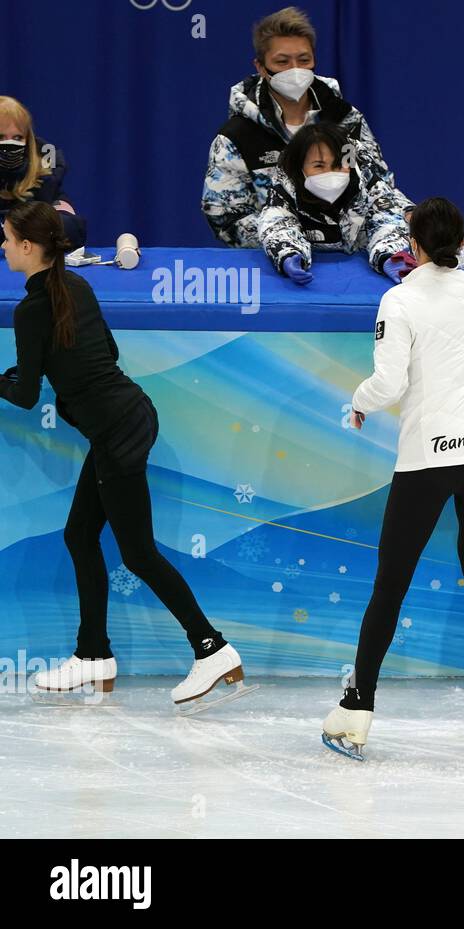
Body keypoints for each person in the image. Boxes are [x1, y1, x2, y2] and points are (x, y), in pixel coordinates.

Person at [0, 202, 254, 713]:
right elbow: (107, 355)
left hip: (118, 431)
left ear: (29, 248)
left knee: (138, 554)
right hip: (127, 418)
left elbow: (26, 393)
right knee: (79, 535)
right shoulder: (77, 287)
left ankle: (212, 648)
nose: (3, 247)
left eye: (6, 238)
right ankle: (93, 654)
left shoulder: (32, 310)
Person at [321, 197, 464, 761]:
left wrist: (359, 402)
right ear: (460, 243)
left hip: (429, 459)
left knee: (391, 584)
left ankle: (357, 707)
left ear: (411, 242)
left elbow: (387, 384)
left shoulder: (399, 298)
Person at [202, 6, 406, 248]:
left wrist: (403, 217)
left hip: (350, 262)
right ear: (260, 67)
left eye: (304, 60)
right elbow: (225, 216)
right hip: (279, 267)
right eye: (282, 61)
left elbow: (378, 184)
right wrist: (292, 240)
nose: (295, 70)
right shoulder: (237, 135)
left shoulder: (344, 120)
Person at [258, 122, 411, 284]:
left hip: (361, 277)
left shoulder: (369, 185)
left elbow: (387, 221)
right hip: (319, 278)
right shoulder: (284, 192)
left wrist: (390, 255)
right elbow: (277, 225)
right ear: (300, 166)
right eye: (319, 166)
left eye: (338, 165)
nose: (330, 174)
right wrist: (287, 254)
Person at [0, 96, 85, 252]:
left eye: (17, 137)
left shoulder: (46, 176)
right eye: (1, 137)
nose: (9, 145)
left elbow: (70, 229)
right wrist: (34, 227)